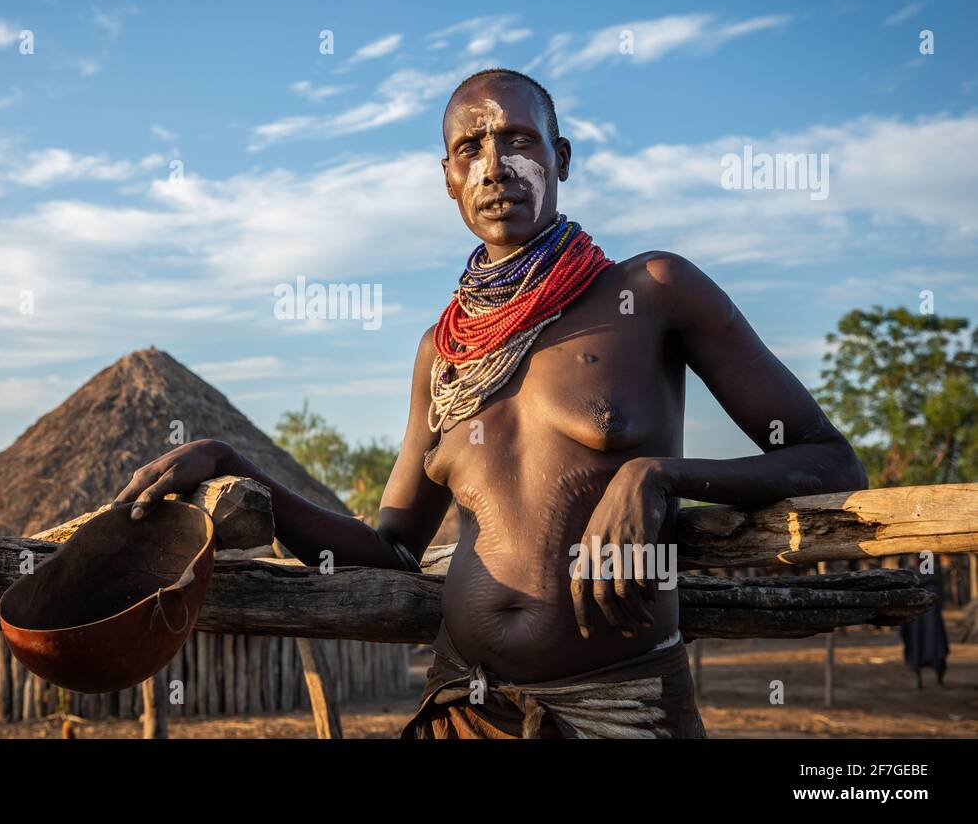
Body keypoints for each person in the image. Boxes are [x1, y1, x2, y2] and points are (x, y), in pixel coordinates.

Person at [115, 68, 867, 738]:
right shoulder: (442, 351)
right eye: (470, 150)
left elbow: (828, 460)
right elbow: (395, 548)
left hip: (617, 705)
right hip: (464, 709)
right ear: (447, 178)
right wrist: (228, 461)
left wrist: (658, 477)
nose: (495, 166)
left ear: (560, 158)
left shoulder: (653, 292)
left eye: (518, 141)